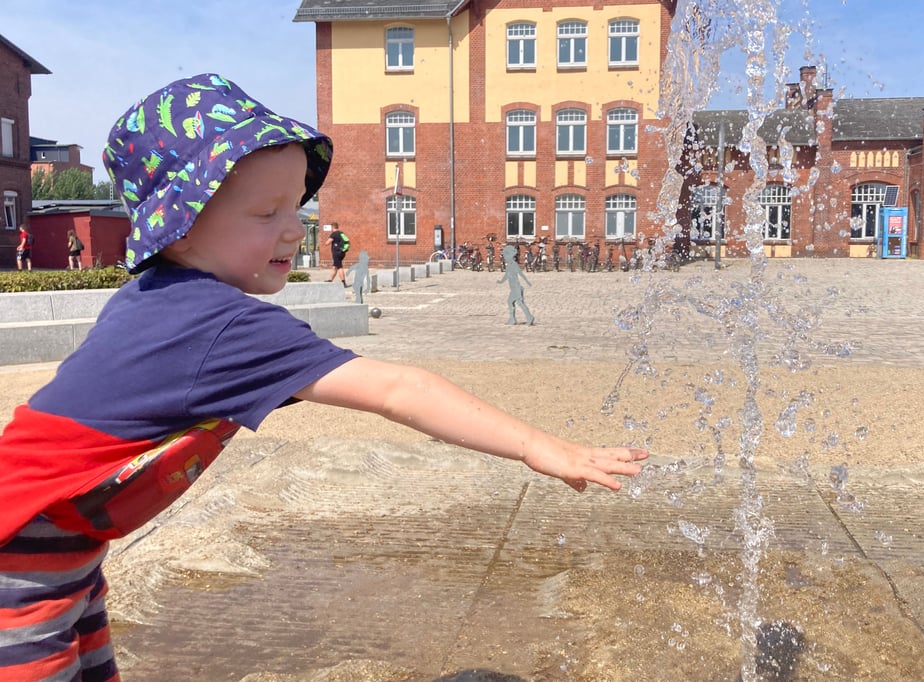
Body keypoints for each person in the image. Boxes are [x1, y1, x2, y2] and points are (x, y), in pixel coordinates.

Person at [0, 74, 646, 682]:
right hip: (21, 556)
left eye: (297, 206)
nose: (294, 227)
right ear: (179, 226)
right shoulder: (219, 324)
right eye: (264, 213)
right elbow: (398, 390)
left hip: (56, 544)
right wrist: (539, 446)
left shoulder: (160, 297)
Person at [498, 244, 535, 325]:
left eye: (505, 256)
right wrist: (501, 281)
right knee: (511, 302)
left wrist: (527, 282)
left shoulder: (514, 265)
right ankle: (513, 319)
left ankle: (529, 317)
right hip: (514, 288)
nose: (504, 259)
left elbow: (521, 274)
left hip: (516, 288)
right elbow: (506, 275)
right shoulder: (509, 266)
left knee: (519, 303)